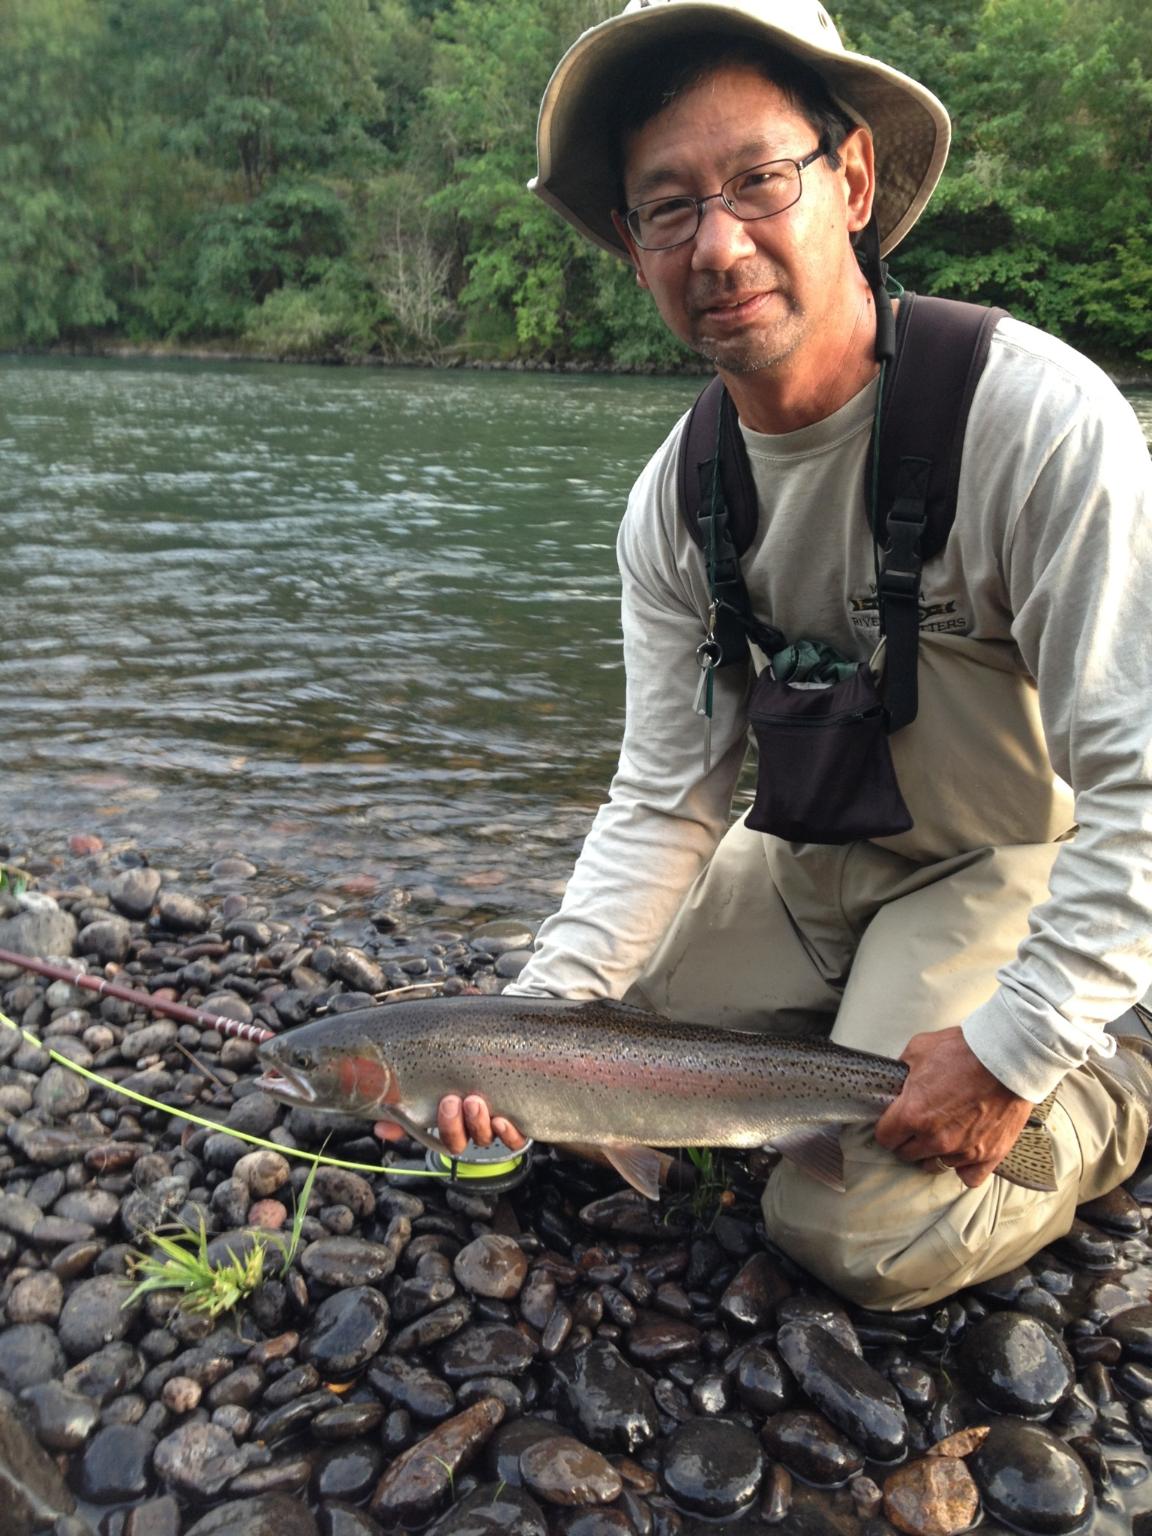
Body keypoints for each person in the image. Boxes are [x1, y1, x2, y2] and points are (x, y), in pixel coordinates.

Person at [377, 0, 1152, 1309]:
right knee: (607, 1056)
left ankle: (1116, 1072)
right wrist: (526, 1032)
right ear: (633, 242)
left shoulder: (1038, 425)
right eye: (670, 207)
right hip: (807, 862)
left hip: (999, 864)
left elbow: (1142, 783)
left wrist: (1015, 1051)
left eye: (758, 180)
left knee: (857, 1233)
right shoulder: (676, 500)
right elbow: (667, 797)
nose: (720, 244)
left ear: (852, 180)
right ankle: (864, 1031)